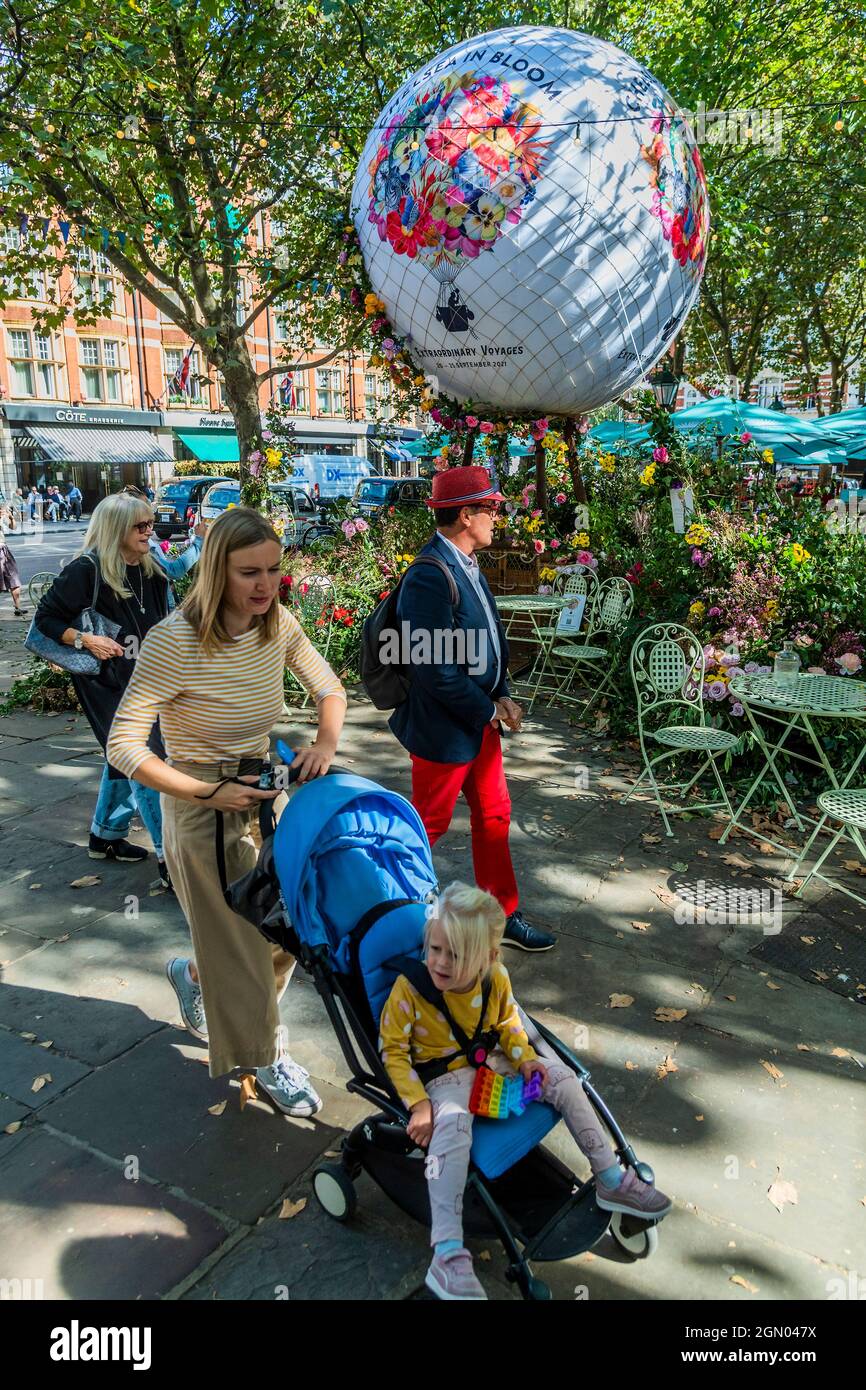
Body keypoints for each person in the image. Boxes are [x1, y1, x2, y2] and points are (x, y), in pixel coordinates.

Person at [106, 507, 347, 1115]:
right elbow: (123, 745)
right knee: (239, 947)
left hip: (267, 794)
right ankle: (266, 1058)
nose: (265, 586)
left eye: (273, 570)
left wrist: (323, 744)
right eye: (249, 573)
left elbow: (330, 688)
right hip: (198, 806)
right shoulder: (173, 640)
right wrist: (206, 793)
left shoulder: (278, 625)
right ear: (216, 571)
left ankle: (195, 975)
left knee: (285, 932)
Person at [381, 882, 672, 1300]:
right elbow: (392, 1051)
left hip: (495, 1064)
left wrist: (527, 1059)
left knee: (563, 1078)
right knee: (450, 1131)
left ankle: (610, 1177)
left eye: (455, 955)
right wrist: (419, 1104)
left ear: (487, 957)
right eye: (434, 949)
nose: (440, 963)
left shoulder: (494, 978)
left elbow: (507, 1026)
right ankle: (446, 1253)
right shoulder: (410, 990)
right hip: (445, 1080)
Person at [389, 464, 554, 952]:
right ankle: (390, 910)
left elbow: (489, 639)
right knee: (427, 824)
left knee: (495, 814)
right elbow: (431, 668)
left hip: (479, 719)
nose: (496, 518)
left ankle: (501, 915)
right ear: (465, 515)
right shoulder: (428, 575)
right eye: (491, 509)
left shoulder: (465, 563)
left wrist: (500, 693)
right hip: (445, 728)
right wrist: (487, 709)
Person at [34, 493, 169, 880]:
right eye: (140, 526)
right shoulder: (85, 570)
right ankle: (171, 858)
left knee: (123, 753)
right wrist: (85, 639)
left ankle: (105, 835)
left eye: (151, 523)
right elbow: (46, 618)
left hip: (146, 673)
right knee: (144, 758)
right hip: (105, 679)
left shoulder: (149, 567)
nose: (150, 531)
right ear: (116, 530)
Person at [0, 505, 27, 616]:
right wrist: (2, 517)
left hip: (4, 550)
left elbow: (13, 527)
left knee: (14, 578)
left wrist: (11, 518)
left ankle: (17, 607)